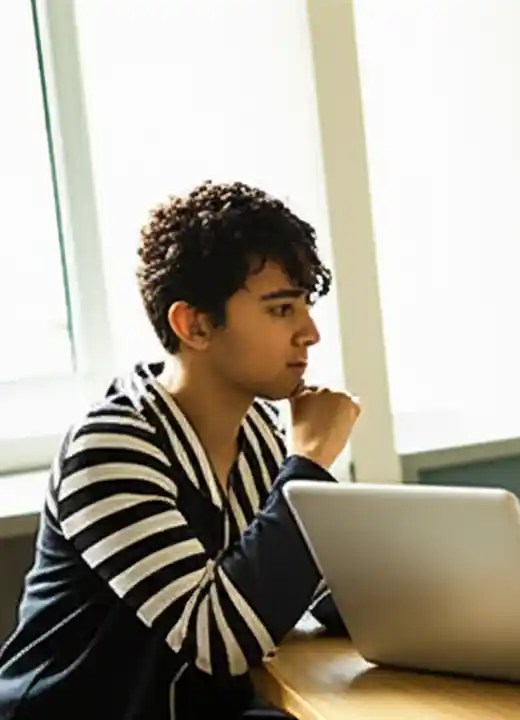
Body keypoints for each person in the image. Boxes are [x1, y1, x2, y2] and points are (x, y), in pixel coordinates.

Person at [0, 181, 356, 718]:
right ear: (194, 325)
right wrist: (308, 467)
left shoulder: (258, 432)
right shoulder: (107, 450)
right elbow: (220, 641)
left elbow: (314, 592)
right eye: (282, 310)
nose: (310, 333)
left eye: (304, 306)